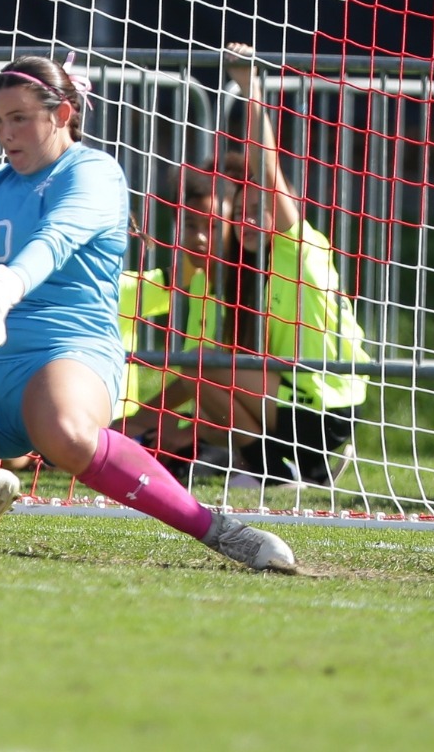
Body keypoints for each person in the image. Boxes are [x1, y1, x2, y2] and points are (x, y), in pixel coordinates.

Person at [0, 55, 297, 572]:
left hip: (70, 354)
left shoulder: (95, 172)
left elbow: (55, 239)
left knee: (64, 433)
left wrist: (9, 284)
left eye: (19, 117)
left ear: (63, 113)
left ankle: (220, 531)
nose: (5, 133)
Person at [124, 46, 371, 489]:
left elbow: (269, 169)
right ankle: (249, 464)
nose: (251, 219)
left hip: (324, 406)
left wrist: (249, 86)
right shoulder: (227, 276)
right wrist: (136, 425)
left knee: (205, 369)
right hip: (284, 402)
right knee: (201, 375)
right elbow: (196, 374)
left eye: (261, 208)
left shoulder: (298, 251)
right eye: (242, 212)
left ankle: (283, 469)